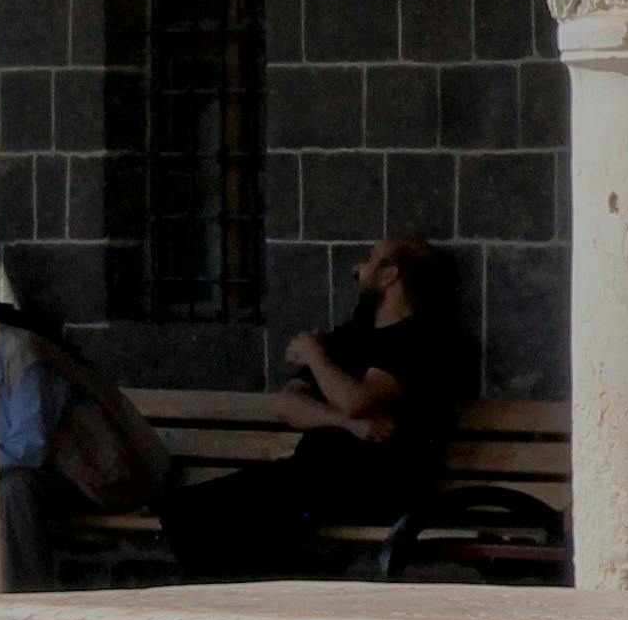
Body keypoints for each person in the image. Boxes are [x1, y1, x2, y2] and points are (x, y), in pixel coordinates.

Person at [157, 238, 482, 583]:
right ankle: (269, 582)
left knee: (227, 518)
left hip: (374, 483)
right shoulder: (353, 336)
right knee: (189, 511)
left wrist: (316, 356)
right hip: (315, 476)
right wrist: (347, 424)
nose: (357, 269)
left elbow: (358, 399)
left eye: (369, 262)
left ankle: (280, 581)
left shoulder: (422, 341)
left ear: (390, 275)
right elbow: (289, 405)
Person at [0, 274, 162, 592]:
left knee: (15, 489)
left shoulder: (24, 355)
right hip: (5, 476)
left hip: (79, 477)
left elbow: (29, 450)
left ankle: (24, 601)